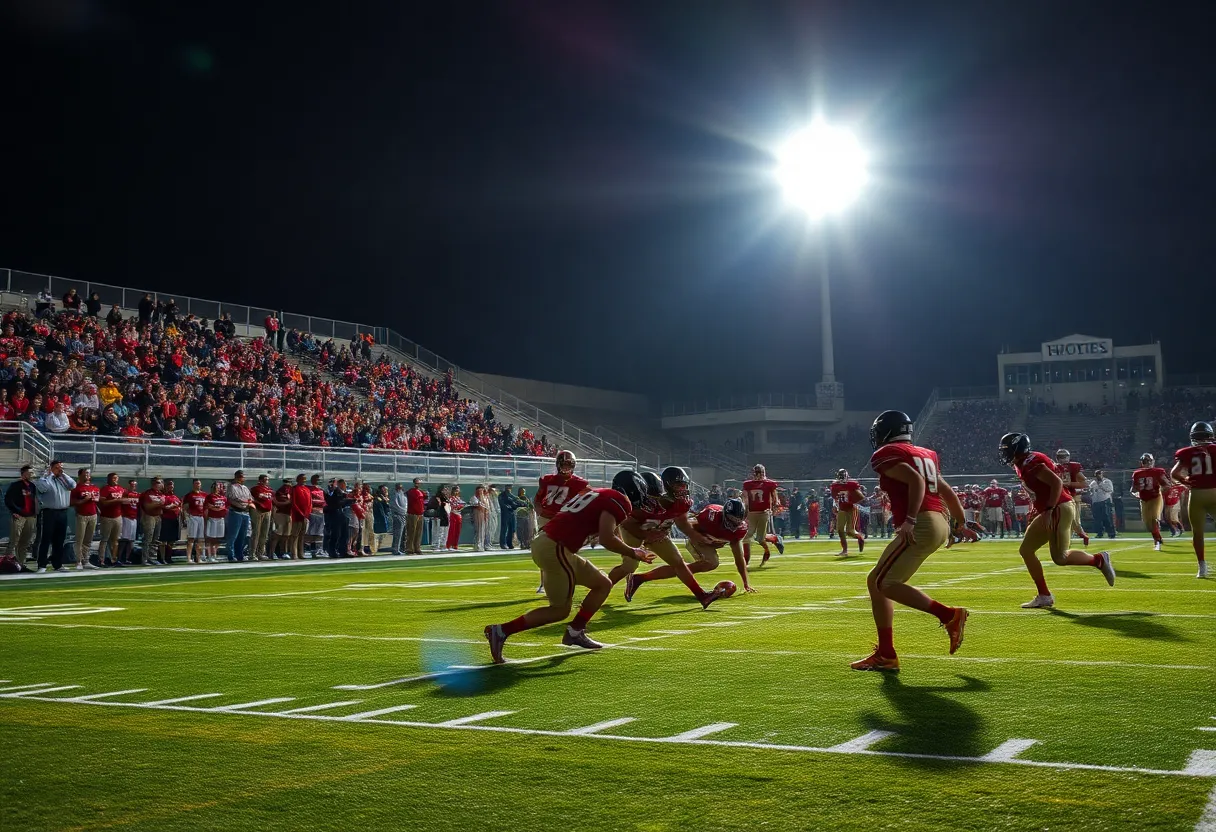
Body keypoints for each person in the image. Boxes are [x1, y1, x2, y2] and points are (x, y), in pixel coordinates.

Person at [484, 471, 656, 663]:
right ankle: (501, 631)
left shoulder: (602, 494)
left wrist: (630, 549)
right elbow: (608, 538)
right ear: (635, 489)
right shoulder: (619, 500)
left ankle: (576, 631)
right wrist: (633, 552)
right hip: (555, 547)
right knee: (559, 610)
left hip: (554, 545)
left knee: (603, 584)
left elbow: (612, 532)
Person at [850, 410, 975, 672]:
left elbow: (916, 482)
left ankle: (949, 615)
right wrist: (959, 523)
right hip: (937, 520)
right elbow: (944, 488)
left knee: (886, 583)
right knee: (876, 582)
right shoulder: (926, 454)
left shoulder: (885, 454)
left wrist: (909, 519)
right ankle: (886, 654)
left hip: (921, 522)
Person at [998, 432, 1116, 609]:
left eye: (1007, 450)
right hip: (1052, 508)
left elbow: (1056, 483)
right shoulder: (1022, 463)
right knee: (1026, 550)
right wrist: (1037, 509)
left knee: (1060, 558)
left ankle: (1098, 560)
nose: (1004, 454)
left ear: (1018, 449)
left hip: (1058, 508)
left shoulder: (1032, 463)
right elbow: (1039, 490)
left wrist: (1049, 509)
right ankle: (1044, 595)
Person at [612, 467, 737, 607]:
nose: (683, 489)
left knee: (678, 562)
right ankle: (601, 588)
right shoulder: (647, 503)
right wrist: (646, 535)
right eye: (678, 485)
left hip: (657, 531)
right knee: (629, 566)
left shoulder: (681, 503)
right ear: (667, 485)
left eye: (684, 485)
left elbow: (683, 524)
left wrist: (699, 538)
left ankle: (702, 596)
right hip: (635, 531)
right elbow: (628, 523)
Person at [533, 450, 589, 586]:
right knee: (545, 551)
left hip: (565, 520)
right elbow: (537, 500)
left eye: (569, 464)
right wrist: (540, 511)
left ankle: (567, 578)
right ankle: (544, 582)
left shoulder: (580, 483)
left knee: (566, 551)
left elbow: (588, 500)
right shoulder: (547, 480)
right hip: (547, 518)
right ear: (558, 464)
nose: (566, 467)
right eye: (564, 464)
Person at [1169, 421, 1215, 579]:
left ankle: (1202, 568)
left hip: (1197, 495)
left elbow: (1174, 474)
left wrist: (1186, 481)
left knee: (1198, 533)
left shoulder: (1186, 452)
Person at [33, 460, 76, 573]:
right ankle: (42, 565)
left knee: (59, 540)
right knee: (46, 539)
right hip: (49, 512)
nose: (60, 469)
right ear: (51, 468)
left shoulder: (64, 480)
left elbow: (72, 485)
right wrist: (48, 475)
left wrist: (63, 474)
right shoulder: (44, 479)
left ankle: (57, 564)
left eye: (61, 467)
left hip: (63, 512)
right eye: (57, 467)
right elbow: (43, 488)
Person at [742, 464, 783, 566]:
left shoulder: (769, 484)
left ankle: (768, 549)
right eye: (757, 473)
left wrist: (776, 505)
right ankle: (746, 561)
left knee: (760, 538)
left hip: (764, 512)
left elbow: (775, 497)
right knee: (747, 536)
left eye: (760, 473)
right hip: (751, 512)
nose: (759, 475)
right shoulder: (748, 484)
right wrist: (744, 510)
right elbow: (745, 499)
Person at [1131, 453, 1170, 551]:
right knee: (1147, 523)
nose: (1148, 463)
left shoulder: (1158, 471)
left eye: (1149, 461)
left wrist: (1163, 489)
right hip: (1144, 499)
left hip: (1156, 497)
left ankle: (1157, 541)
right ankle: (1158, 536)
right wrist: (1135, 493)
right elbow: (1133, 489)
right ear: (1141, 463)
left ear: (1153, 462)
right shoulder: (1137, 473)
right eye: (1145, 461)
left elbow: (1167, 484)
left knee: (1153, 519)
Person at [1054, 449, 1092, 547]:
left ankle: (1081, 535)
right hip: (1059, 498)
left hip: (1072, 497)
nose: (1062, 459)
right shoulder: (1053, 467)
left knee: (1073, 520)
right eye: (1060, 457)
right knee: (1064, 521)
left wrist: (1069, 484)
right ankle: (1067, 542)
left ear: (1068, 457)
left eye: (1064, 456)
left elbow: (1084, 483)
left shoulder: (1073, 467)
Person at [5, 465, 38, 569]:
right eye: (30, 473)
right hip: (19, 516)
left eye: (33, 473)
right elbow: (8, 499)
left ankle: (21, 564)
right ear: (23, 474)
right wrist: (14, 511)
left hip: (30, 517)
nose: (32, 475)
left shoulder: (33, 486)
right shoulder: (16, 485)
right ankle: (7, 564)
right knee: (14, 540)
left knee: (25, 541)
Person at [830, 469, 867, 557]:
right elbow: (835, 497)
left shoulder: (852, 484)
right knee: (839, 530)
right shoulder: (835, 485)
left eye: (842, 475)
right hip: (842, 509)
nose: (841, 478)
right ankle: (844, 550)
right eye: (840, 476)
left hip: (851, 508)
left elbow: (861, 497)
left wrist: (853, 499)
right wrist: (835, 506)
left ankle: (860, 537)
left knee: (850, 531)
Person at [69, 468, 100, 570]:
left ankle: (86, 560)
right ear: (80, 475)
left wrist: (96, 502)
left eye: (88, 473)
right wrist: (84, 500)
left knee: (88, 540)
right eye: (85, 473)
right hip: (82, 515)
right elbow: (71, 503)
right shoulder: (76, 488)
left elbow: (97, 500)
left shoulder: (95, 487)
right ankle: (78, 561)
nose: (87, 475)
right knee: (80, 539)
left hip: (93, 515)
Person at [224, 470, 253, 562]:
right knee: (233, 536)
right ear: (236, 477)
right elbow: (234, 498)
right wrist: (245, 502)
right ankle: (231, 556)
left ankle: (240, 554)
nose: (242, 478)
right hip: (236, 513)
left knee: (243, 536)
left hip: (245, 513)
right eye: (241, 476)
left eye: (243, 476)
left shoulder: (245, 488)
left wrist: (247, 503)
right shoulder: (232, 487)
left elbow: (250, 499)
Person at [138, 477, 166, 565]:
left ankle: (152, 558)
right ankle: (144, 559)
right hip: (149, 516)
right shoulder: (148, 493)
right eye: (158, 482)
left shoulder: (161, 494)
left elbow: (164, 505)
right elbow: (147, 506)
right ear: (153, 483)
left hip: (158, 516)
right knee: (148, 538)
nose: (160, 484)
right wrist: (158, 504)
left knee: (155, 539)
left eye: (161, 482)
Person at [324, 479, 354, 557]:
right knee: (335, 534)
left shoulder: (339, 492)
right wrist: (348, 501)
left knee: (344, 534)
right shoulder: (330, 492)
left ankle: (343, 551)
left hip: (341, 513)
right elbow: (335, 502)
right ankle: (332, 551)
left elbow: (340, 502)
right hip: (334, 514)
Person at [250, 474, 275, 560]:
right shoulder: (255, 488)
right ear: (260, 480)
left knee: (264, 534)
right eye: (265, 479)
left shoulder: (270, 490)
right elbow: (254, 499)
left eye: (267, 480)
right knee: (256, 533)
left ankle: (260, 553)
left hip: (267, 512)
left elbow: (272, 500)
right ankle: (252, 553)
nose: (266, 481)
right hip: (258, 511)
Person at [290, 473, 314, 559]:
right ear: (298, 480)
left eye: (304, 479)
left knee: (302, 535)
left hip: (306, 515)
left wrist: (308, 513)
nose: (303, 480)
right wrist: (300, 513)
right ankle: (294, 553)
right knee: (295, 535)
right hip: (297, 515)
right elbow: (294, 502)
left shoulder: (307, 489)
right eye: (302, 479)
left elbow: (310, 502)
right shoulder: (294, 488)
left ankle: (301, 553)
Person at [183, 480, 208, 563]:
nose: (198, 485)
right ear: (193, 484)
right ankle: (189, 558)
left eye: (199, 483)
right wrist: (187, 518)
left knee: (200, 539)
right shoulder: (189, 495)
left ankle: (198, 557)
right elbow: (185, 508)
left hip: (201, 517)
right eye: (196, 483)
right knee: (191, 538)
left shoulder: (204, 495)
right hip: (193, 517)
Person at [1087, 468, 1116, 540]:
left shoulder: (1107, 481)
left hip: (1105, 501)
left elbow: (1110, 490)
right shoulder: (1093, 482)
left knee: (1107, 518)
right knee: (1097, 519)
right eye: (1096, 475)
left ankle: (1111, 533)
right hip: (1095, 502)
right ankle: (1099, 533)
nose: (1098, 476)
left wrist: (1100, 485)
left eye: (1099, 474)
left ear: (1102, 474)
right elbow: (1090, 491)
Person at [204, 482, 229, 563]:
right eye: (215, 487)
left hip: (221, 519)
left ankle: (214, 554)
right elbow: (209, 506)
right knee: (211, 538)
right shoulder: (209, 496)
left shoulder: (223, 497)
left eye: (218, 487)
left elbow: (225, 507)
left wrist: (217, 508)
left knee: (217, 538)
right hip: (212, 518)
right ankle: (209, 555)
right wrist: (217, 508)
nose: (216, 488)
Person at [118, 479, 141, 566]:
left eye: (135, 485)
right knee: (124, 539)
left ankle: (127, 558)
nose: (133, 486)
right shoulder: (125, 493)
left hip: (134, 518)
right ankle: (119, 558)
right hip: (126, 517)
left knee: (131, 540)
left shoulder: (137, 495)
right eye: (132, 484)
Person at [269, 478, 292, 559]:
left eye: (289, 482)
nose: (288, 484)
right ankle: (272, 553)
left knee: (286, 535)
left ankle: (284, 552)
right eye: (286, 482)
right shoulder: (279, 492)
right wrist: (288, 502)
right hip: (280, 513)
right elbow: (276, 503)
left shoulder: (291, 491)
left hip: (289, 514)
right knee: (278, 534)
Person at [160, 481, 182, 564]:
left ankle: (168, 557)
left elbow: (179, 506)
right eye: (169, 485)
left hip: (175, 520)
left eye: (172, 485)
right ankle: (162, 558)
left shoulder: (175, 497)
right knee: (163, 540)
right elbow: (163, 507)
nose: (171, 486)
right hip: (165, 519)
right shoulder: (163, 496)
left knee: (171, 541)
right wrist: (171, 506)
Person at [307, 474, 327, 557]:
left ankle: (319, 549)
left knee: (320, 532)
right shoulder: (309, 489)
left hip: (321, 513)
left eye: (319, 479)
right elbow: (310, 501)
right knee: (312, 532)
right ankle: (313, 550)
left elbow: (325, 501)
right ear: (312, 480)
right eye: (316, 479)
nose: (318, 481)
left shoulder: (322, 490)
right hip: (313, 512)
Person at [405, 477, 426, 555]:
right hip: (412, 514)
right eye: (417, 483)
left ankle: (417, 547)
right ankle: (409, 548)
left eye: (419, 483)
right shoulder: (411, 491)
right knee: (411, 531)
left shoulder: (420, 492)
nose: (418, 484)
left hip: (420, 514)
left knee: (419, 532)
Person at [427, 485, 450, 553]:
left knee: (445, 531)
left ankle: (443, 545)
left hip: (446, 516)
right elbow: (434, 506)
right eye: (444, 489)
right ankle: (436, 545)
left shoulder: (446, 498)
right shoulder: (436, 497)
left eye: (446, 490)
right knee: (439, 532)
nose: (446, 491)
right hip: (439, 516)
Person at [498, 484, 522, 549]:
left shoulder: (511, 495)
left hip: (511, 513)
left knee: (511, 529)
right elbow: (502, 504)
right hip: (505, 513)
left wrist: (517, 504)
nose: (510, 488)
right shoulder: (501, 495)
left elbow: (514, 502)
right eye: (509, 487)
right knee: (504, 529)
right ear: (506, 487)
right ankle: (503, 543)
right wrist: (509, 507)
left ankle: (509, 543)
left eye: (510, 487)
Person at [373, 485, 393, 553]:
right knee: (379, 533)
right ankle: (377, 547)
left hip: (385, 516)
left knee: (383, 533)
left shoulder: (385, 498)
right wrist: (385, 502)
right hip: (379, 518)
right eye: (384, 489)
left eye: (386, 490)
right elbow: (380, 509)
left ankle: (380, 546)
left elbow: (387, 508)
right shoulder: (378, 498)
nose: (386, 491)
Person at [391, 483, 409, 555]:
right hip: (398, 515)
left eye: (401, 488)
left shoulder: (403, 495)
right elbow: (394, 505)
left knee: (402, 534)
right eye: (399, 488)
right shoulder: (395, 495)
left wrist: (405, 512)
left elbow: (406, 505)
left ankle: (399, 548)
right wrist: (402, 511)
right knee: (397, 533)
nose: (400, 489)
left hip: (403, 515)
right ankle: (395, 549)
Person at [471, 485, 490, 552]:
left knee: (483, 531)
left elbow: (486, 507)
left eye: (482, 490)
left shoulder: (485, 498)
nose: (481, 492)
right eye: (480, 491)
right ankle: (477, 546)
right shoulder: (474, 497)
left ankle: (482, 545)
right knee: (478, 531)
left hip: (484, 516)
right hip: (477, 515)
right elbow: (478, 505)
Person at [447, 485, 466, 551]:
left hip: (459, 515)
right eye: (456, 491)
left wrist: (462, 506)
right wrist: (459, 506)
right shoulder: (451, 498)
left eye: (458, 491)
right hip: (453, 514)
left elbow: (462, 504)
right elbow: (452, 505)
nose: (457, 492)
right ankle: (449, 545)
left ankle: (455, 545)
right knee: (452, 530)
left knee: (458, 531)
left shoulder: (458, 498)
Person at [486, 485, 501, 549]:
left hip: (494, 513)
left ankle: (490, 543)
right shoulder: (487, 496)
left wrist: (497, 510)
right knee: (489, 528)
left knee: (494, 527)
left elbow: (496, 503)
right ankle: (487, 543)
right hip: (489, 513)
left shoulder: (495, 495)